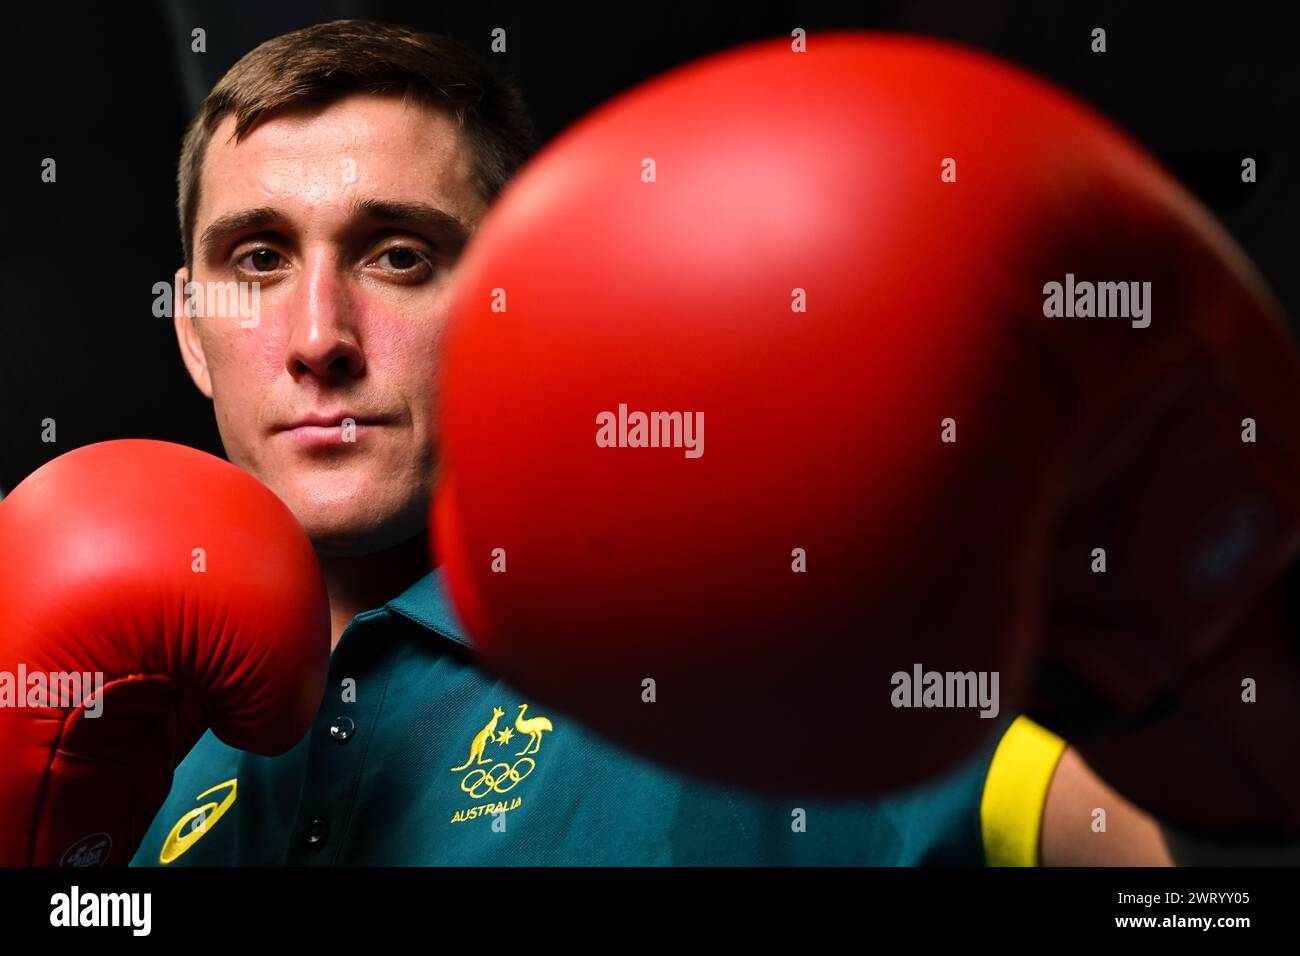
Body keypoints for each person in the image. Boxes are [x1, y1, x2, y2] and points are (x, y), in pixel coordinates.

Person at [115, 20, 1186, 867]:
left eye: (397, 254)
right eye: (256, 260)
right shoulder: (133, 770)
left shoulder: (732, 638)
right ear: (195, 339)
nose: (317, 339)